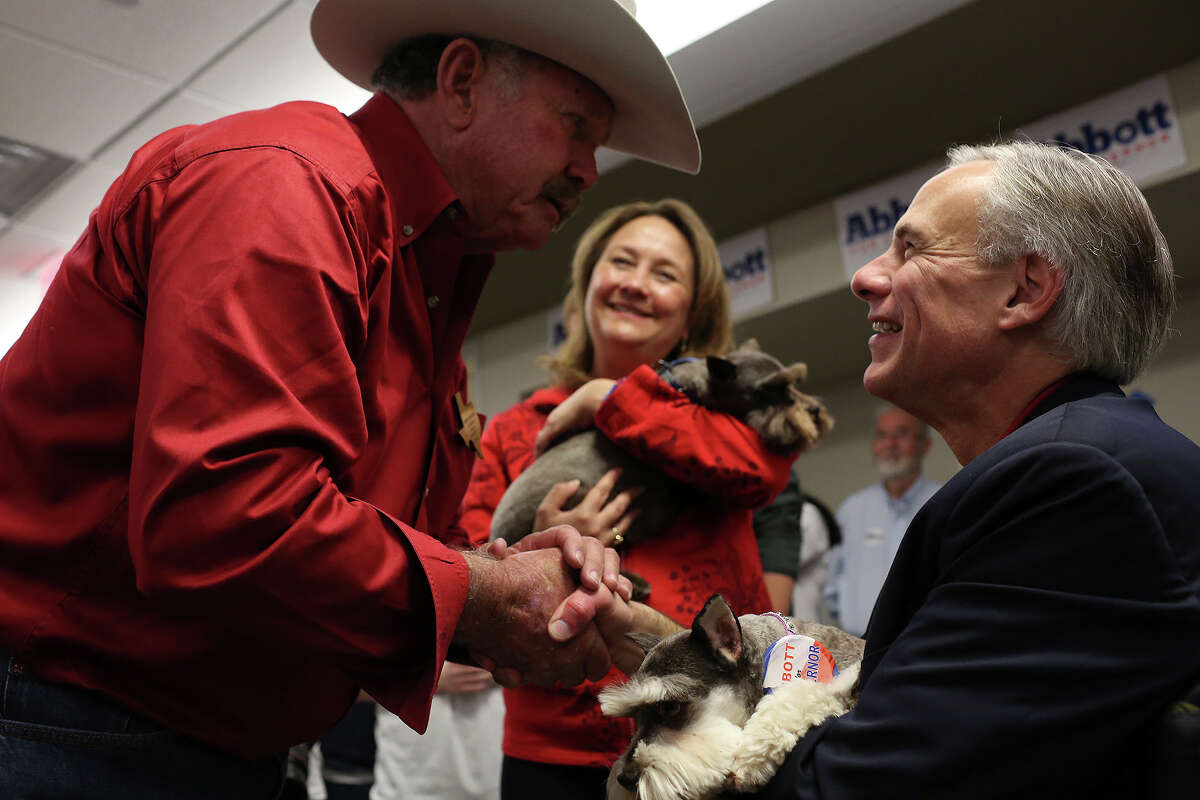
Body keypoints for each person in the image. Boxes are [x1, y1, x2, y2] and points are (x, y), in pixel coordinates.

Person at [0, 0, 703, 795]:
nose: (587, 169)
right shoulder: (287, 182)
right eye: (575, 124)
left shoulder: (416, 287)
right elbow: (223, 515)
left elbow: (345, 558)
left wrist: (502, 590)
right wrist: (478, 593)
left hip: (187, 743)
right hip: (77, 724)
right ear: (462, 81)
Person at [747, 140, 1200, 798]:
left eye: (911, 248)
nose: (865, 277)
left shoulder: (1073, 483)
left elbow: (859, 788)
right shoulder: (1086, 460)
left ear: (1025, 290)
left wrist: (708, 717)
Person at [456, 198, 797, 798]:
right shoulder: (517, 429)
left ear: (693, 315)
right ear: (586, 287)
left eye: (664, 274)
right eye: (621, 263)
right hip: (554, 751)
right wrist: (538, 544)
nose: (636, 285)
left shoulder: (729, 425)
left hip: (717, 740)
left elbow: (757, 474)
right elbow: (464, 574)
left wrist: (602, 398)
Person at [823, 404, 941, 636]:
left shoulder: (944, 503)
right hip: (859, 649)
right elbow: (832, 588)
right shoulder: (851, 510)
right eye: (882, 435)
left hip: (925, 645)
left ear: (925, 446)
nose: (890, 444)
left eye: (902, 434)